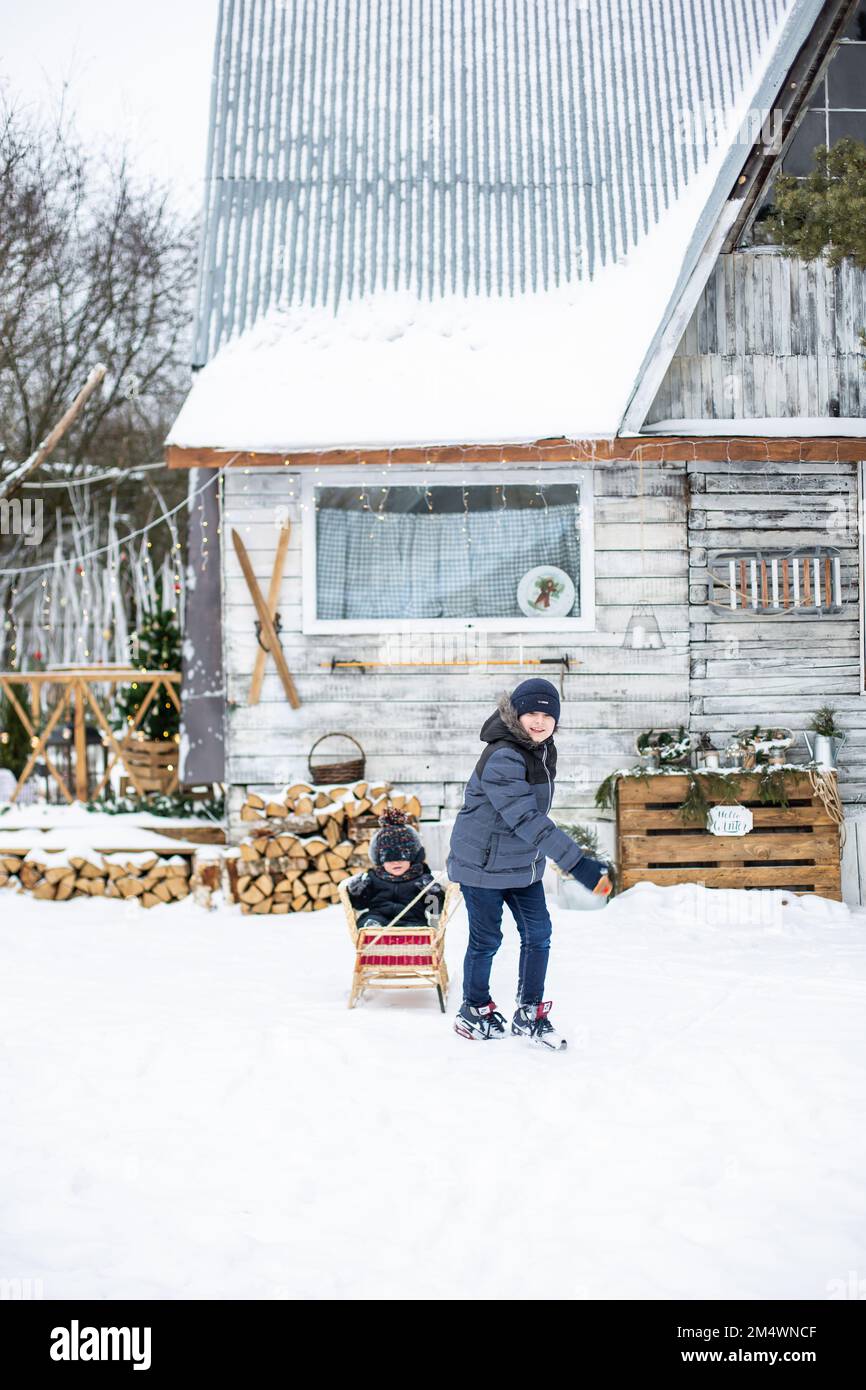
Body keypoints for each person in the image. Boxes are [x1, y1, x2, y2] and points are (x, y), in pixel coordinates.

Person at [446, 677, 611, 1048]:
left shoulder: (540, 749)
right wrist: (578, 864)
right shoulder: (504, 754)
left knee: (538, 935)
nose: (539, 721)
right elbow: (526, 818)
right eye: (531, 713)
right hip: (482, 864)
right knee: (487, 940)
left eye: (547, 715)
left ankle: (530, 1010)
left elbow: (530, 820)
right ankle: (474, 1009)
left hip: (522, 862)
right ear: (515, 715)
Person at [346, 807, 445, 929]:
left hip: (412, 919)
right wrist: (356, 893)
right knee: (368, 919)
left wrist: (434, 893)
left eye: (402, 857)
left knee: (418, 927)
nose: (395, 862)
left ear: (413, 856)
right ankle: (373, 929)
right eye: (388, 859)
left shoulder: (421, 878)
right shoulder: (374, 878)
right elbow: (360, 905)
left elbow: (435, 909)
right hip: (379, 917)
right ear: (379, 860)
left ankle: (410, 934)